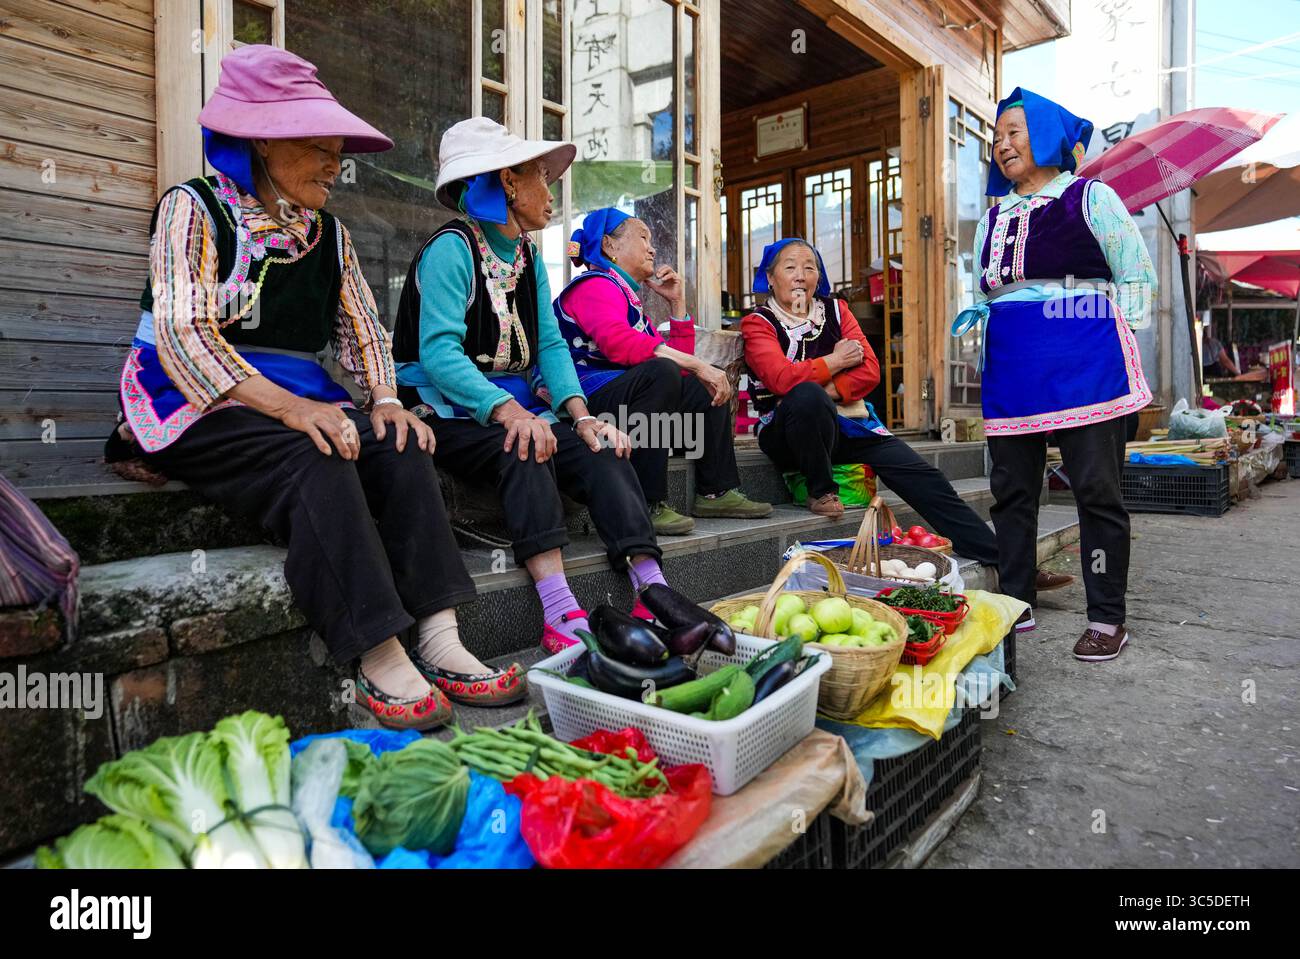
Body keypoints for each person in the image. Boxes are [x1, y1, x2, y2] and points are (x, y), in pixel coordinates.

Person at [104, 46, 518, 731]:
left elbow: (362, 334)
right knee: (317, 455)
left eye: (337, 148)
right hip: (195, 395)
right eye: (320, 146)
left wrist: (385, 399)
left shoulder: (328, 234)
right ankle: (379, 649)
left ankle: (441, 639)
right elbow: (183, 340)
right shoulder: (192, 209)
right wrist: (295, 409)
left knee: (399, 442)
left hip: (294, 393)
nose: (336, 163)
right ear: (261, 140)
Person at [392, 118, 671, 651]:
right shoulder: (452, 248)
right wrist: (505, 410)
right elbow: (439, 355)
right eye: (542, 177)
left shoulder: (524, 257)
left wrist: (583, 416)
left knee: (602, 448)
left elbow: (549, 346)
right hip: (443, 406)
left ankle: (651, 587)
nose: (551, 192)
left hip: (511, 403)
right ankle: (558, 607)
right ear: (507, 182)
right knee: (523, 446)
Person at [740, 238, 1077, 605]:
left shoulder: (836, 312)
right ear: (770, 278)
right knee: (804, 398)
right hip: (787, 434)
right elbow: (780, 380)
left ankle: (1013, 566)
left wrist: (826, 390)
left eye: (810, 267)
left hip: (844, 424)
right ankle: (821, 491)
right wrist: (835, 363)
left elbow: (869, 371)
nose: (801, 276)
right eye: (790, 267)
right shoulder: (759, 323)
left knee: (922, 474)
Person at [952, 87, 1155, 661]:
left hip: (1085, 359)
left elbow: (1135, 273)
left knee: (1095, 489)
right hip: (1014, 368)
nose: (1001, 144)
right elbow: (981, 295)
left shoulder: (1090, 198)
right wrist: (980, 351)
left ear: (1046, 136)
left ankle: (1107, 618)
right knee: (1012, 492)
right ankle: (1015, 603)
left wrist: (1118, 343)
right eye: (997, 136)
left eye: (1014, 131)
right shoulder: (992, 217)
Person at [554, 208, 772, 535]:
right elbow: (619, 345)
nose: (652, 248)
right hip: (586, 402)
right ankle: (646, 500)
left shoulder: (627, 296)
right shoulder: (592, 286)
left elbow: (677, 368)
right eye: (643, 237)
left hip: (626, 400)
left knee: (699, 387)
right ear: (609, 246)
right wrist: (698, 366)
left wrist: (677, 305)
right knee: (666, 374)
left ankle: (715, 491)